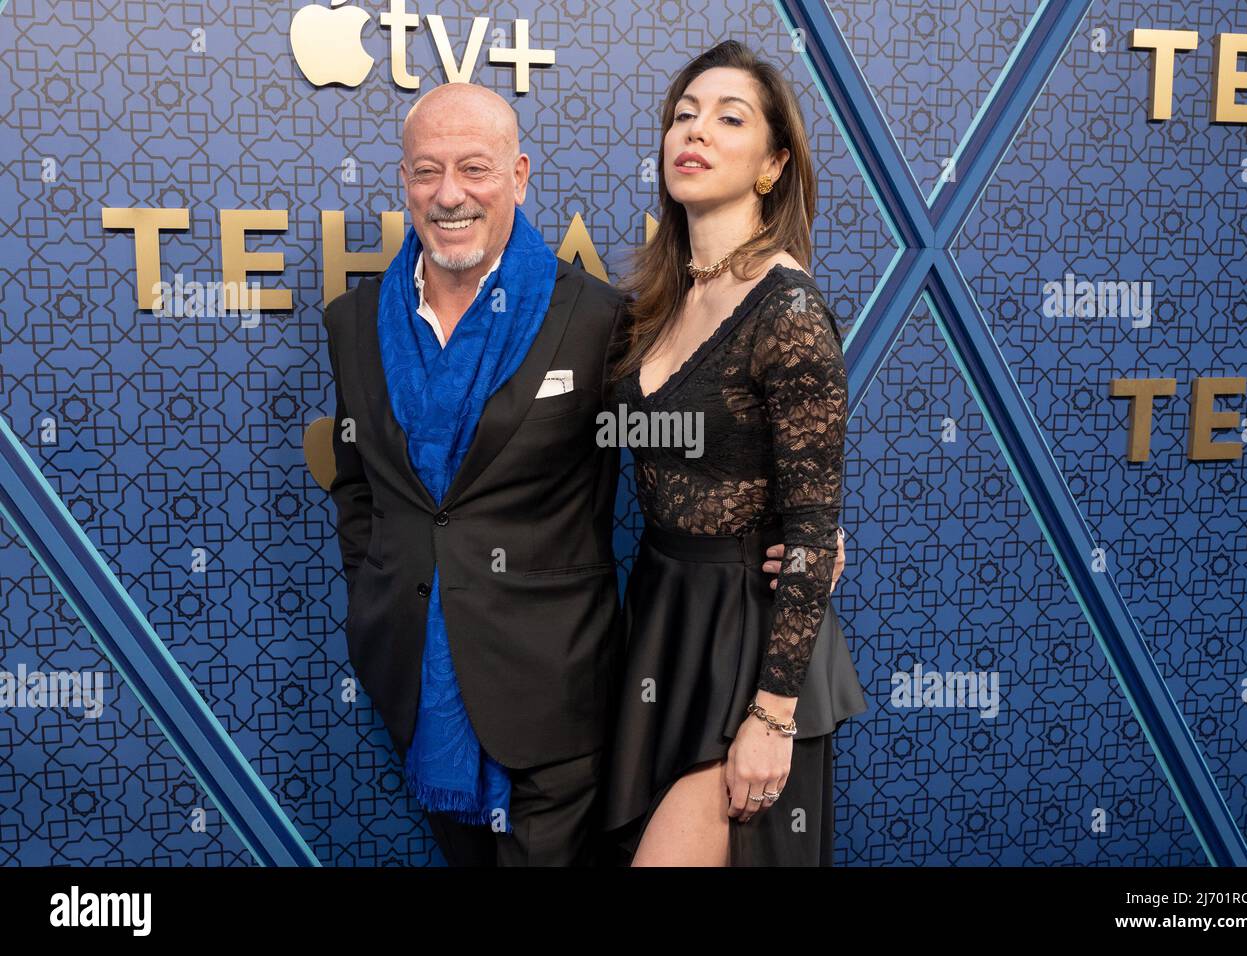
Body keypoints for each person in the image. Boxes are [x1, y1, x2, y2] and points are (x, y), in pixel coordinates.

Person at [320, 81, 838, 866]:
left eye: (475, 168)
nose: (449, 193)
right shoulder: (353, 326)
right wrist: (377, 597)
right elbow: (358, 489)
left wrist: (810, 540)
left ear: (520, 176)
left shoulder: (601, 319)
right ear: (403, 181)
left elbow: (711, 441)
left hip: (574, 685)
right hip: (424, 682)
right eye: (427, 171)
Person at [601, 40, 869, 866]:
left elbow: (814, 527)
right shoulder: (661, 298)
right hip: (662, 617)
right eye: (684, 115)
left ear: (773, 162)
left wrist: (771, 715)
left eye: (729, 117)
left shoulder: (786, 309)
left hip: (747, 643)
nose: (697, 131)